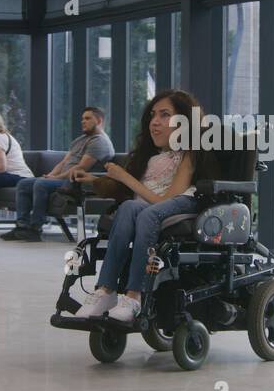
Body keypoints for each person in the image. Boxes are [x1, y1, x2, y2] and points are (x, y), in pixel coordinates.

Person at [72, 90, 200, 323]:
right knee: (129, 207)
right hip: (144, 208)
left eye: (164, 115)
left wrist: (124, 177)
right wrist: (97, 179)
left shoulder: (188, 155)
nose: (155, 122)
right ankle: (106, 290)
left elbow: (167, 200)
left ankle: (134, 295)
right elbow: (135, 190)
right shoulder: (152, 156)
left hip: (179, 206)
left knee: (145, 214)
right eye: (153, 115)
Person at [1, 106, 115, 242]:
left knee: (40, 184)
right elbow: (63, 163)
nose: (83, 121)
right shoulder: (80, 140)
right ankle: (22, 226)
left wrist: (55, 178)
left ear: (99, 120)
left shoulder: (100, 142)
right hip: (63, 178)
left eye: (88, 118)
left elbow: (80, 168)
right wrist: (50, 175)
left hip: (76, 182)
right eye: (82, 119)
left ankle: (35, 228)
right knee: (24, 184)